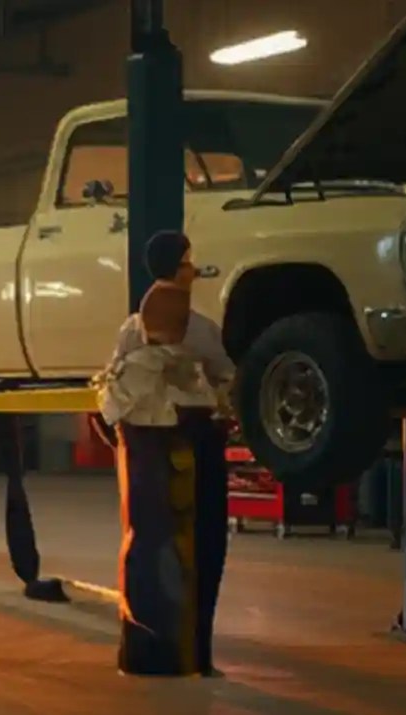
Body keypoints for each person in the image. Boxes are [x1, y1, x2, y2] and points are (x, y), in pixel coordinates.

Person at [93, 230, 235, 677]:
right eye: (189, 262)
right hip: (192, 451)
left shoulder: (129, 331)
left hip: (142, 453)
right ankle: (189, 655)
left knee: (147, 545)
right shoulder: (202, 330)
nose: (194, 269)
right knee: (198, 547)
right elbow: (227, 378)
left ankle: (146, 652)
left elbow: (116, 385)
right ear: (177, 269)